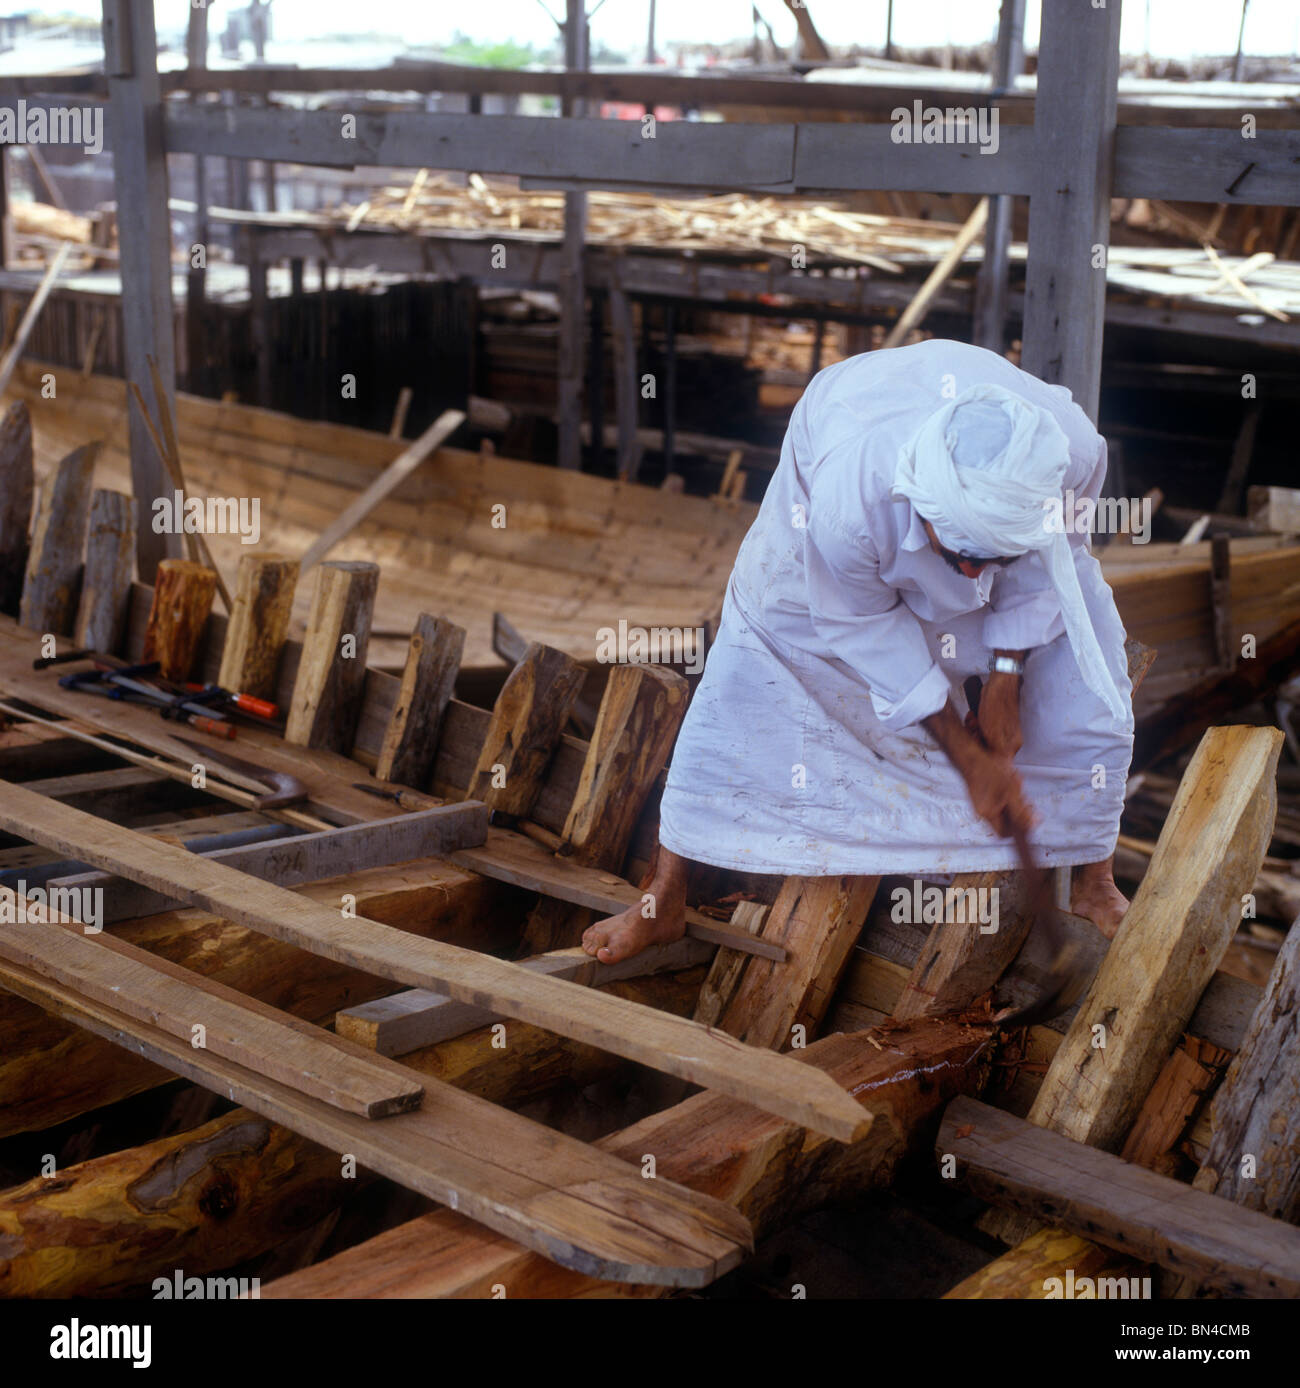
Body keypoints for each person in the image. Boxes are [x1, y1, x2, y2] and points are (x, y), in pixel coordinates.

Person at [582, 340, 1134, 965]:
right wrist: (973, 763)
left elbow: (1047, 568)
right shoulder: (851, 498)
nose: (974, 572)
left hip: (998, 544)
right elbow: (863, 626)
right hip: (824, 554)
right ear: (921, 500)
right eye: (960, 556)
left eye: (992, 558)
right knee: (746, 691)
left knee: (1088, 692)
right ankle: (664, 899)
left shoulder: (1070, 453)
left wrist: (1006, 679)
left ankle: (1095, 885)